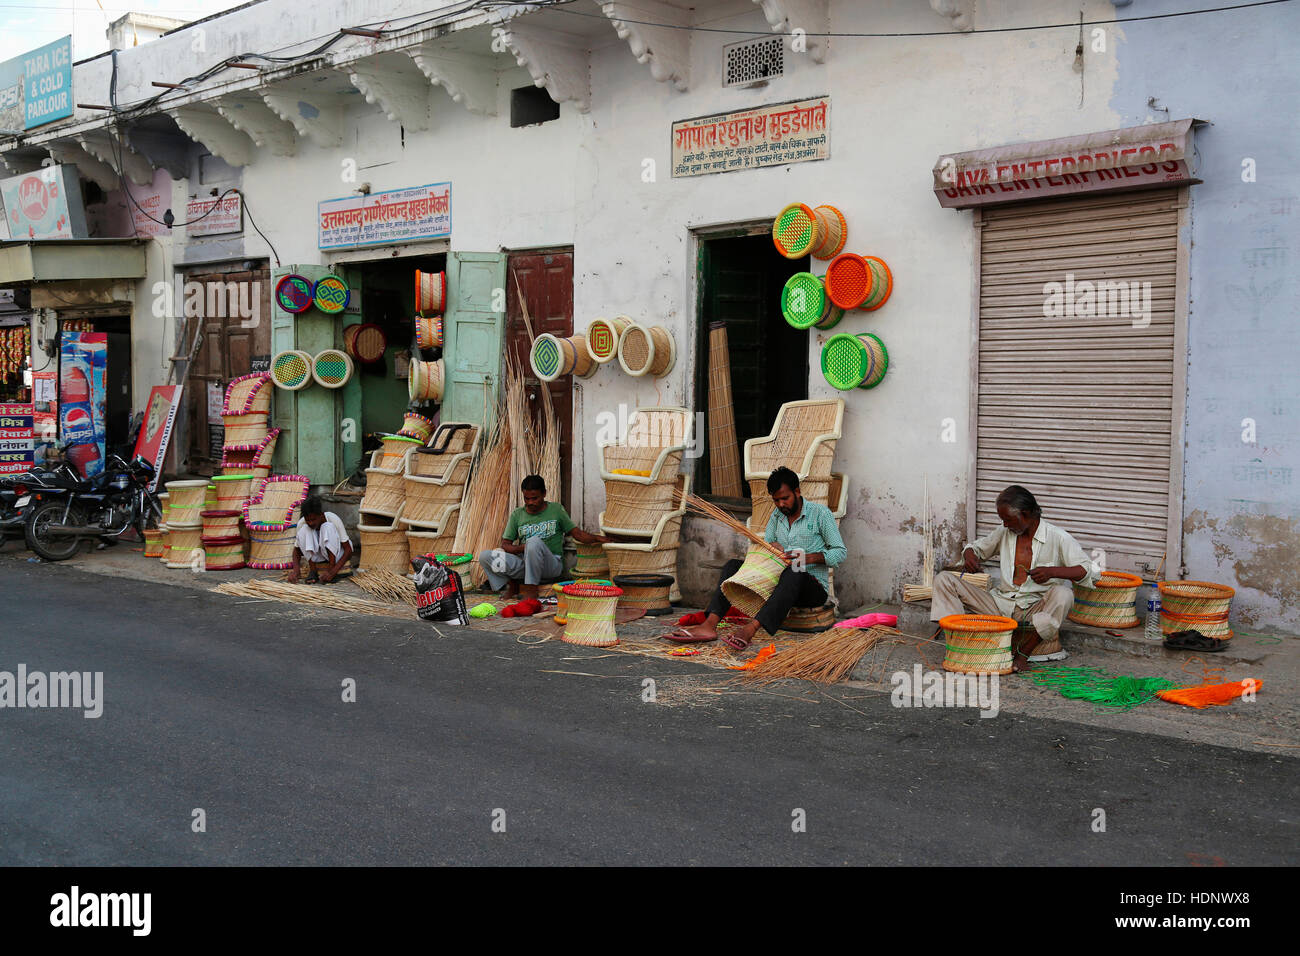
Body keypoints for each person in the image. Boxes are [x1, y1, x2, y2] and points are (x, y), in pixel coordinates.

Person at [665, 466, 847, 651]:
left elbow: (840, 552)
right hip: (778, 584)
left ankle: (750, 629)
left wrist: (809, 558)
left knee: (795, 571)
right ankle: (709, 625)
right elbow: (765, 547)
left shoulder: (820, 514)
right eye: (776, 500)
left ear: (797, 492)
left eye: (785, 498)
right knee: (732, 566)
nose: (781, 504)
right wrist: (771, 549)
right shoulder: (777, 516)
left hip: (811, 588)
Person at [931, 484, 1095, 666]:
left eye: (1008, 520)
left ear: (1025, 514)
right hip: (1000, 605)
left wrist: (1052, 572)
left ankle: (1024, 653)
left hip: (1035, 608)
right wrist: (970, 556)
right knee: (944, 580)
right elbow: (976, 548)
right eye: (1003, 520)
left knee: (1064, 594)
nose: (1005, 524)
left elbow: (1088, 570)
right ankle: (958, 643)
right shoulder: (1005, 531)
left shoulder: (1058, 537)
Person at [476, 475, 608, 605]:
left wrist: (597, 538)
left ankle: (531, 589)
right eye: (526, 498)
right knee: (485, 556)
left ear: (544, 494)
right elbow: (505, 545)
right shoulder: (517, 514)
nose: (530, 502)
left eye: (535, 498)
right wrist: (522, 548)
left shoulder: (556, 510)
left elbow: (577, 534)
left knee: (533, 542)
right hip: (525, 564)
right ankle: (512, 586)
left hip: (551, 565)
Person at [288, 495, 353, 584]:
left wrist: (332, 572)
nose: (311, 523)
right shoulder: (303, 523)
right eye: (308, 520)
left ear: (321, 515)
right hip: (319, 557)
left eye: (313, 519)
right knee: (304, 529)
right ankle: (313, 571)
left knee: (327, 526)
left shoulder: (332, 518)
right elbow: (296, 550)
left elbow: (348, 550)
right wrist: (296, 570)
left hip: (338, 554)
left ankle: (330, 569)